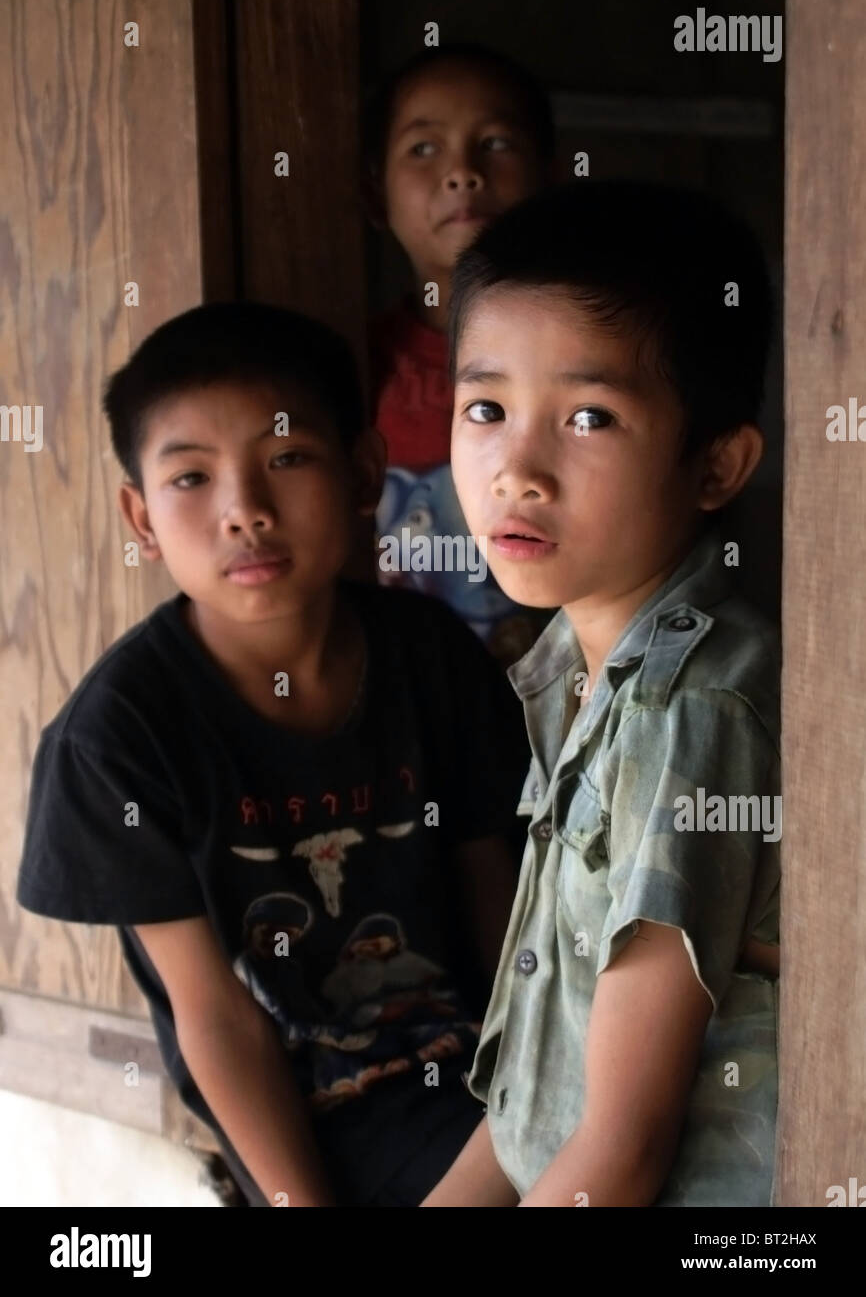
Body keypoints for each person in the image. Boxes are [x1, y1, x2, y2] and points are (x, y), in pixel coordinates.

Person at [16, 302, 528, 1208]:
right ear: (139, 516)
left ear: (364, 473)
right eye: (190, 479)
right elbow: (214, 1016)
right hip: (317, 1121)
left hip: (486, 1069)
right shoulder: (118, 739)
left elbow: (500, 907)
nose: (245, 512)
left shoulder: (430, 658)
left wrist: (536, 1087)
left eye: (286, 459)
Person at [423, 181, 782, 1207]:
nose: (515, 470)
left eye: (588, 416)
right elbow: (531, 1116)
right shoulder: (565, 675)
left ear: (715, 463)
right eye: (485, 408)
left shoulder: (693, 709)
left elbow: (618, 1153)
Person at [364, 43, 555, 663]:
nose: (462, 173)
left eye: (496, 143)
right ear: (375, 193)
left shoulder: (592, 361)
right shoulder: (359, 370)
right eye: (423, 149)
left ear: (550, 174)